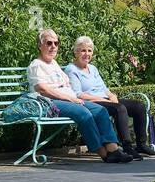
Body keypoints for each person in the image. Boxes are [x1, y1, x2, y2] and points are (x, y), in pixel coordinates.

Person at [27, 29, 132, 163]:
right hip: (49, 102)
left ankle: (113, 150)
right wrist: (69, 98)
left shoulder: (54, 64)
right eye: (49, 43)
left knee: (100, 110)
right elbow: (42, 89)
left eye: (56, 43)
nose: (53, 46)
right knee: (83, 113)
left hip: (69, 100)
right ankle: (103, 153)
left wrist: (73, 97)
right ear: (40, 45)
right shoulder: (36, 65)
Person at [64, 36, 155, 160]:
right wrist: (105, 100)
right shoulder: (71, 69)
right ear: (75, 52)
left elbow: (104, 88)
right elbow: (78, 94)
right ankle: (127, 147)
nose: (86, 54)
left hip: (105, 99)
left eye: (89, 50)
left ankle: (141, 145)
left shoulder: (92, 68)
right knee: (120, 109)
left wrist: (112, 95)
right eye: (83, 50)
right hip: (92, 102)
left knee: (138, 106)